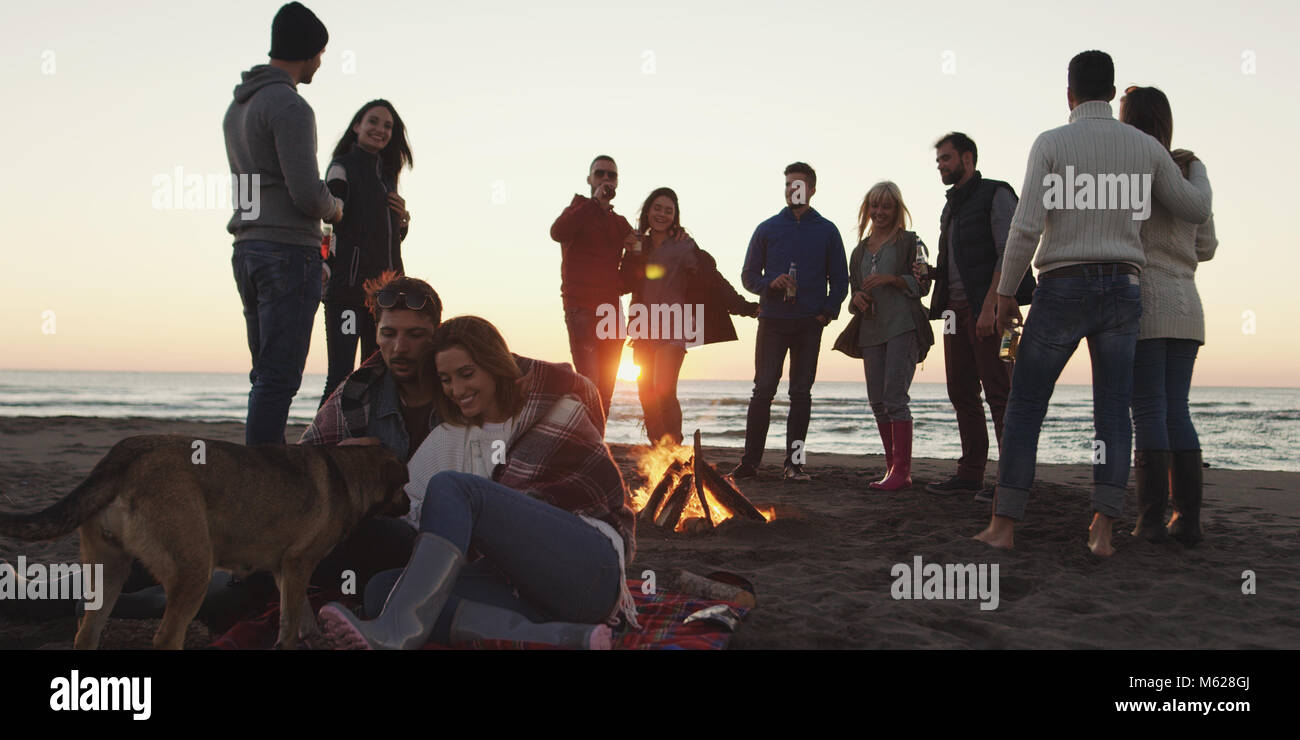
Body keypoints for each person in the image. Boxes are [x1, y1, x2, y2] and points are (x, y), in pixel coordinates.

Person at [974, 51, 1212, 556]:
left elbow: (1027, 225)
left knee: (1025, 408)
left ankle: (1004, 525)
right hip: (1124, 289)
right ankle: (1102, 530)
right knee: (1112, 413)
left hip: (1062, 285)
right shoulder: (1144, 148)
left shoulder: (1052, 143)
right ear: (1111, 90)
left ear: (1069, 94)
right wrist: (1194, 171)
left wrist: (1004, 293)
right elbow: (1194, 208)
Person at [315, 316, 638, 650]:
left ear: (494, 366)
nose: (457, 390)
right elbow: (408, 510)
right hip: (517, 586)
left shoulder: (555, 410)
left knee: (455, 488)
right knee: (382, 590)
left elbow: (595, 497)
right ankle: (564, 637)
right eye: (445, 380)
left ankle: (397, 634)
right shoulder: (448, 438)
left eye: (466, 374)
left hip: (588, 571)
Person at [224, 1, 342, 445]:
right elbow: (307, 194)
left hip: (248, 249)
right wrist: (336, 209)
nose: (320, 64)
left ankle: (259, 473)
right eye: (321, 54)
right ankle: (265, 482)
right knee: (279, 378)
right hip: (287, 252)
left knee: (265, 376)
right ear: (310, 51)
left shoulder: (238, 107)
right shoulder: (291, 107)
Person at [1120, 86, 1218, 546]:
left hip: (1148, 299)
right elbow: (1207, 246)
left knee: (1149, 410)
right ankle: (1189, 520)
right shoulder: (1189, 170)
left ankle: (1150, 519)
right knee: (1177, 408)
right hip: (1188, 303)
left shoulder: (1132, 170)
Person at [926, 133, 1034, 501]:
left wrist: (991, 305)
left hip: (994, 311)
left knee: (1002, 392)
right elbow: (955, 261)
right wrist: (930, 273)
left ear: (967, 158)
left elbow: (1009, 252)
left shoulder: (996, 193)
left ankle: (1011, 479)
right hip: (955, 312)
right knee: (961, 391)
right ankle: (971, 473)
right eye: (939, 160)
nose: (941, 165)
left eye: (946, 158)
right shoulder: (951, 206)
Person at [735, 163, 849, 482]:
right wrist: (769, 283)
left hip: (809, 325)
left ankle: (794, 464)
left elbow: (840, 281)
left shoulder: (827, 231)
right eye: (787, 184)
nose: (791, 190)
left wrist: (826, 313)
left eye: (797, 185)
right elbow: (747, 276)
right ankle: (750, 463)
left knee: (801, 394)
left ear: (811, 189)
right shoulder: (767, 228)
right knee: (763, 390)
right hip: (772, 321)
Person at [621, 188, 759, 446]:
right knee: (646, 396)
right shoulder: (639, 244)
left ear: (675, 216)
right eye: (657, 208)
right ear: (648, 211)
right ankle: (658, 452)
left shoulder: (684, 244)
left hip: (674, 327)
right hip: (642, 328)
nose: (662, 214)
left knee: (663, 390)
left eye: (668, 210)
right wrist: (632, 254)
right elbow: (625, 284)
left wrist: (745, 307)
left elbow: (713, 280)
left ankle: (674, 449)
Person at [319, 99, 414, 406]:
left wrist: (403, 220)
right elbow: (328, 220)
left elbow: (387, 240)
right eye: (373, 122)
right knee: (342, 376)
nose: (380, 130)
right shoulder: (342, 167)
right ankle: (320, 445)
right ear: (357, 126)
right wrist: (326, 268)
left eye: (388, 126)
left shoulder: (387, 176)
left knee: (377, 373)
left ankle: (364, 444)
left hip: (386, 298)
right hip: (347, 292)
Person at [845, 182, 932, 491]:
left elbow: (923, 284)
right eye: (874, 206)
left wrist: (894, 279)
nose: (879, 212)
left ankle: (901, 473)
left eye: (886, 207)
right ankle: (891, 468)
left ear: (897, 210)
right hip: (871, 331)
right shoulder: (857, 251)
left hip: (902, 326)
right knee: (877, 401)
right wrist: (855, 300)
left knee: (895, 398)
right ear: (867, 209)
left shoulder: (910, 241)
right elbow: (852, 294)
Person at [549, 155, 637, 418]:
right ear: (590, 179)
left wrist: (635, 254)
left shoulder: (619, 223)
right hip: (581, 309)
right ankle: (585, 443)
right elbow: (558, 233)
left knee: (606, 387)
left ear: (618, 182)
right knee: (589, 382)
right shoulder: (576, 210)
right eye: (600, 174)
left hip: (611, 311)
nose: (606, 179)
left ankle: (596, 443)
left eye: (612, 175)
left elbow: (632, 272)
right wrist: (595, 203)